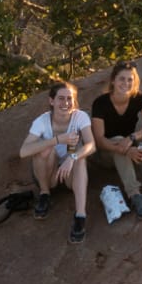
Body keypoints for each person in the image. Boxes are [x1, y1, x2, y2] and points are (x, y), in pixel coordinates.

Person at [19, 80, 96, 244]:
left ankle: (80, 215)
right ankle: (45, 194)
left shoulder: (80, 116)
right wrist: (56, 140)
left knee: (80, 156)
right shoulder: (42, 121)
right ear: (51, 101)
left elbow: (91, 145)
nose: (66, 103)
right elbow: (23, 151)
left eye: (70, 99)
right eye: (61, 98)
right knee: (45, 150)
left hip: (69, 174)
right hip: (49, 174)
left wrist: (72, 158)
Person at [90, 60, 142, 218]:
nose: (126, 83)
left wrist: (133, 137)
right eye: (122, 79)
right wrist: (125, 149)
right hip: (108, 154)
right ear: (113, 80)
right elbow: (99, 140)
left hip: (129, 147)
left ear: (135, 81)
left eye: (130, 79)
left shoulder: (139, 98)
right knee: (117, 139)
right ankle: (134, 194)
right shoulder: (100, 103)